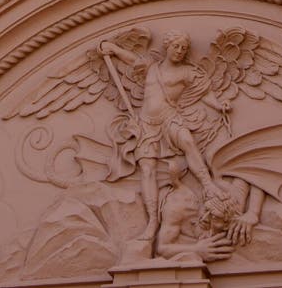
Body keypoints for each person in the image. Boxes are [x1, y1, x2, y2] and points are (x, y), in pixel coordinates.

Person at [99, 30, 231, 241]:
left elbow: (205, 92)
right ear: (167, 47)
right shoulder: (151, 67)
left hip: (170, 118)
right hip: (146, 125)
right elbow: (132, 59)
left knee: (188, 141)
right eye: (176, 47)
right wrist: (113, 49)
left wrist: (218, 104)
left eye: (183, 48)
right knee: (148, 170)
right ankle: (152, 221)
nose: (179, 51)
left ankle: (207, 185)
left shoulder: (188, 73)